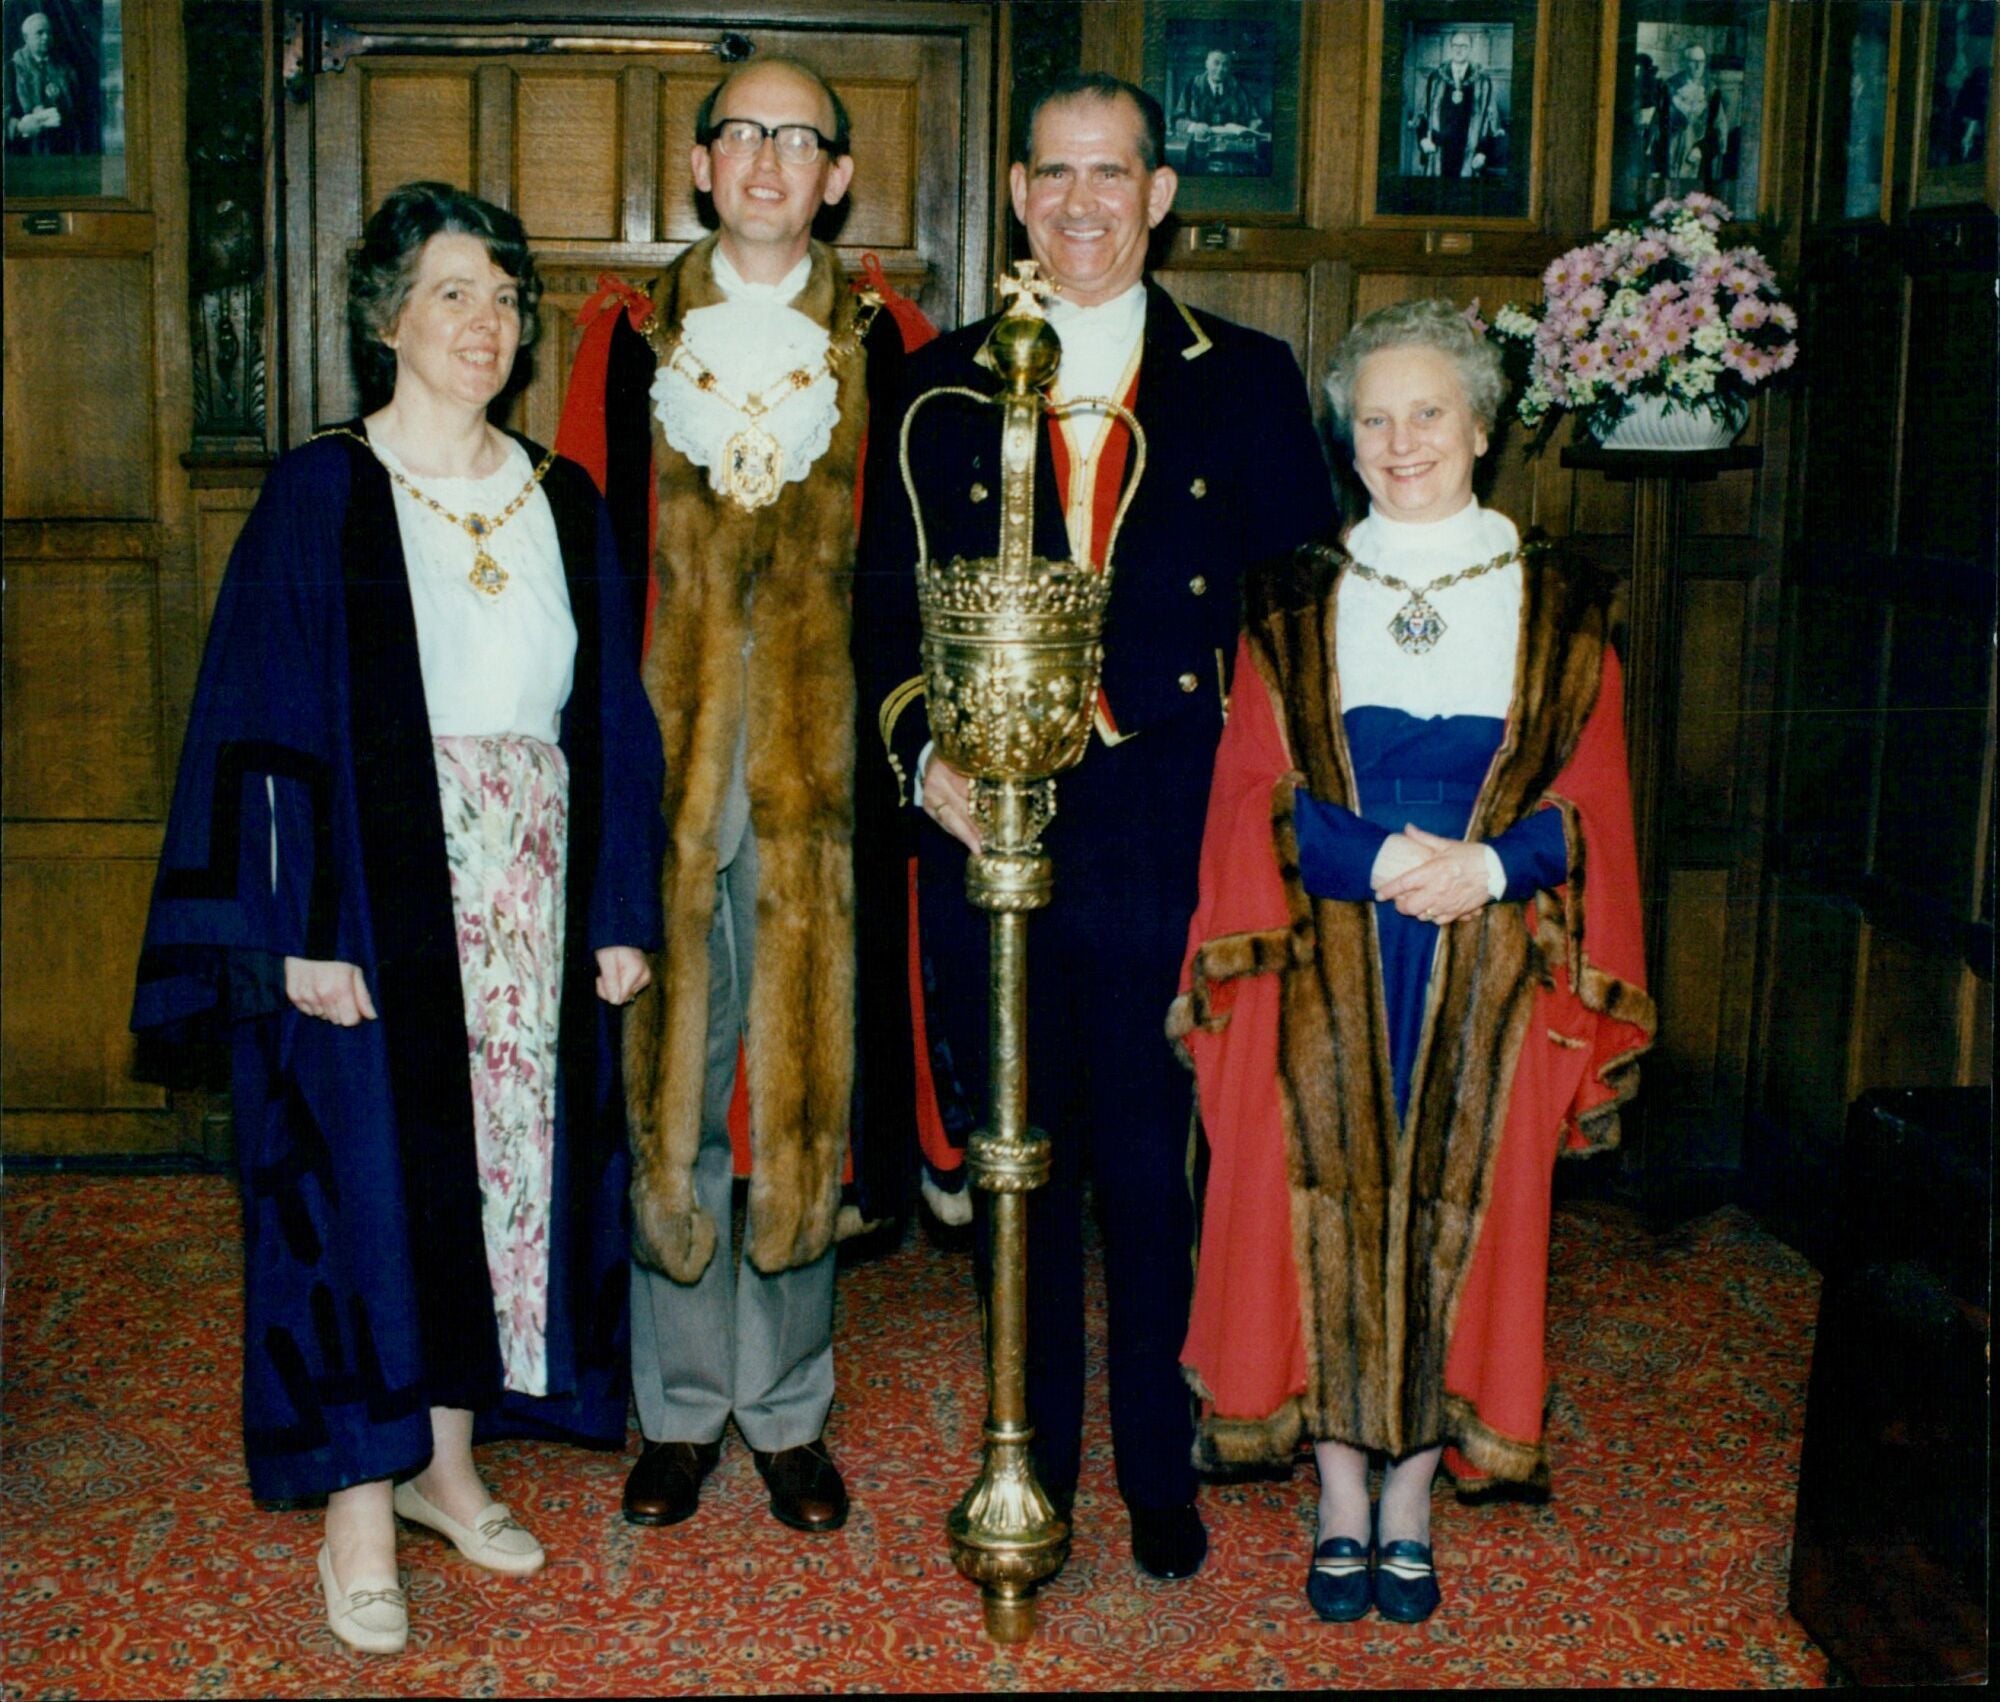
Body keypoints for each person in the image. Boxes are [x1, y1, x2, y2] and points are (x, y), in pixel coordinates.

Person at [132, 181, 665, 1654]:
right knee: (360, 1180)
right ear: (387, 316)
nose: (484, 324)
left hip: (530, 892)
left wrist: (619, 908)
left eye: (503, 297)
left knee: (501, 1186)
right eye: (451, 293)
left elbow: (614, 716)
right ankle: (356, 1501)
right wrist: (292, 926)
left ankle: (441, 1461)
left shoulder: (565, 498)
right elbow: (259, 714)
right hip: (374, 887)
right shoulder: (325, 488)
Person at [858, 70, 1335, 1581]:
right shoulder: (932, 386)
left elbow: (1300, 624)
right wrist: (920, 752)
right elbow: (878, 617)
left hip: (1174, 824)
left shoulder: (1244, 379)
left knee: (1152, 1159)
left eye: (1111, 175)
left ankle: (1154, 1463)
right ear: (1015, 193)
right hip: (988, 822)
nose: (1081, 204)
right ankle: (1030, 1457)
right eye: (1054, 175)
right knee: (1021, 1159)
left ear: (1161, 195)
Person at [1169, 297, 1654, 1623]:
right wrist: (1381, 859)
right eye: (1372, 419)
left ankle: (1409, 1496)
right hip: (1323, 944)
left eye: (1427, 412)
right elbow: (1249, 791)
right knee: (1312, 1211)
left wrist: (1489, 867)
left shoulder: (1564, 604)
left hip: (1494, 957)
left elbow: (1597, 805)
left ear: (1483, 427)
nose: (1401, 441)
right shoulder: (1291, 601)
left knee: (1468, 1216)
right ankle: (1338, 1492)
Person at [552, 53, 929, 1542]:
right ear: (704, 166)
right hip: (666, 777)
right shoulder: (626, 337)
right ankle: (679, 1406)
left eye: (801, 138)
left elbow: (909, 579)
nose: (770, 158)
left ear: (836, 175)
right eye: (742, 134)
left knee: (800, 1095)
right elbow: (590, 562)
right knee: (671, 1086)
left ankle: (786, 1410)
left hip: (824, 792)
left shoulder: (894, 343)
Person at [1411, 30, 1499, 179]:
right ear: (1450, 47)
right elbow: (1422, 113)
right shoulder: (1436, 78)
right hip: (1438, 151)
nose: (1459, 49)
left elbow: (1490, 120)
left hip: (1469, 154)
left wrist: (1483, 152)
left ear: (1470, 48)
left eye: (1464, 46)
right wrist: (1423, 140)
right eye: (1455, 45)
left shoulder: (1482, 80)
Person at [1172, 48, 1266, 174]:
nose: (1221, 69)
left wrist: (1253, 127)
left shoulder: (1239, 88)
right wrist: (1194, 126)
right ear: (1206, 63)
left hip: (1233, 154)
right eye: (1216, 63)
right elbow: (1177, 120)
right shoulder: (1191, 87)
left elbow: (1254, 117)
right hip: (1200, 153)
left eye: (1225, 65)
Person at [1660, 41, 1731, 193]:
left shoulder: (1712, 91)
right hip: (1672, 154)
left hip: (1699, 158)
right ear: (1685, 63)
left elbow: (1718, 128)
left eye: (1702, 61)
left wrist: (1701, 149)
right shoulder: (1670, 87)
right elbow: (1660, 123)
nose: (1699, 66)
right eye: (1694, 62)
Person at [5, 11, 78, 154]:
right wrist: (19, 127)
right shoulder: (11, 70)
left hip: (60, 148)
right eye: (40, 33)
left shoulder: (65, 68)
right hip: (25, 151)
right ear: (26, 37)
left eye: (49, 33)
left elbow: (77, 108)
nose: (46, 37)